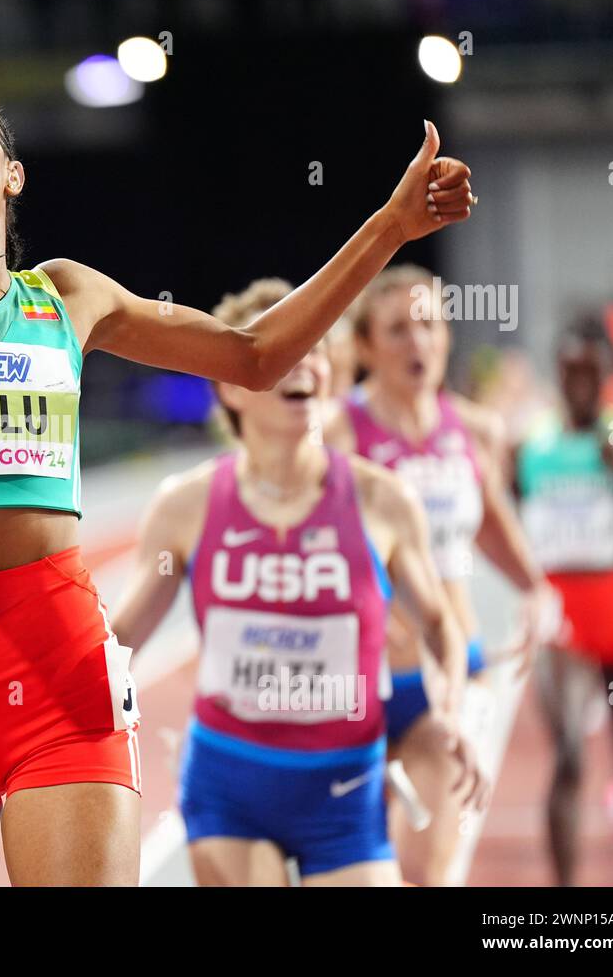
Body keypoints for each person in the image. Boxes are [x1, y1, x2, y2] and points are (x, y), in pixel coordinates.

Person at [0, 79, 476, 886]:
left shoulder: (68, 297)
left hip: (60, 672)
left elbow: (254, 356)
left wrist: (393, 227)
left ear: (11, 173)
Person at [109, 279, 486, 886]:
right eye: (281, 349)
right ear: (230, 384)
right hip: (230, 787)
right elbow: (119, 643)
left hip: (345, 792)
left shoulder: (384, 502)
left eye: (314, 347)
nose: (303, 362)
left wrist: (450, 712)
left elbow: (441, 625)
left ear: (332, 373)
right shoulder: (185, 506)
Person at [324, 264, 556, 885]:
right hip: (352, 687)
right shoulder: (339, 433)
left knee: (426, 867)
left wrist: (535, 591)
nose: (417, 342)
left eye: (428, 324)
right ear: (368, 347)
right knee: (346, 869)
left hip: (448, 682)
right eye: (397, 329)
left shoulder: (470, 431)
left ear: (447, 335)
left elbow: (493, 527)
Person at [518, 316, 613, 884]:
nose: (579, 377)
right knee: (569, 757)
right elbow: (502, 521)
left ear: (609, 369)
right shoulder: (532, 442)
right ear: (556, 368)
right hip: (562, 616)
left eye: (590, 367)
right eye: (569, 366)